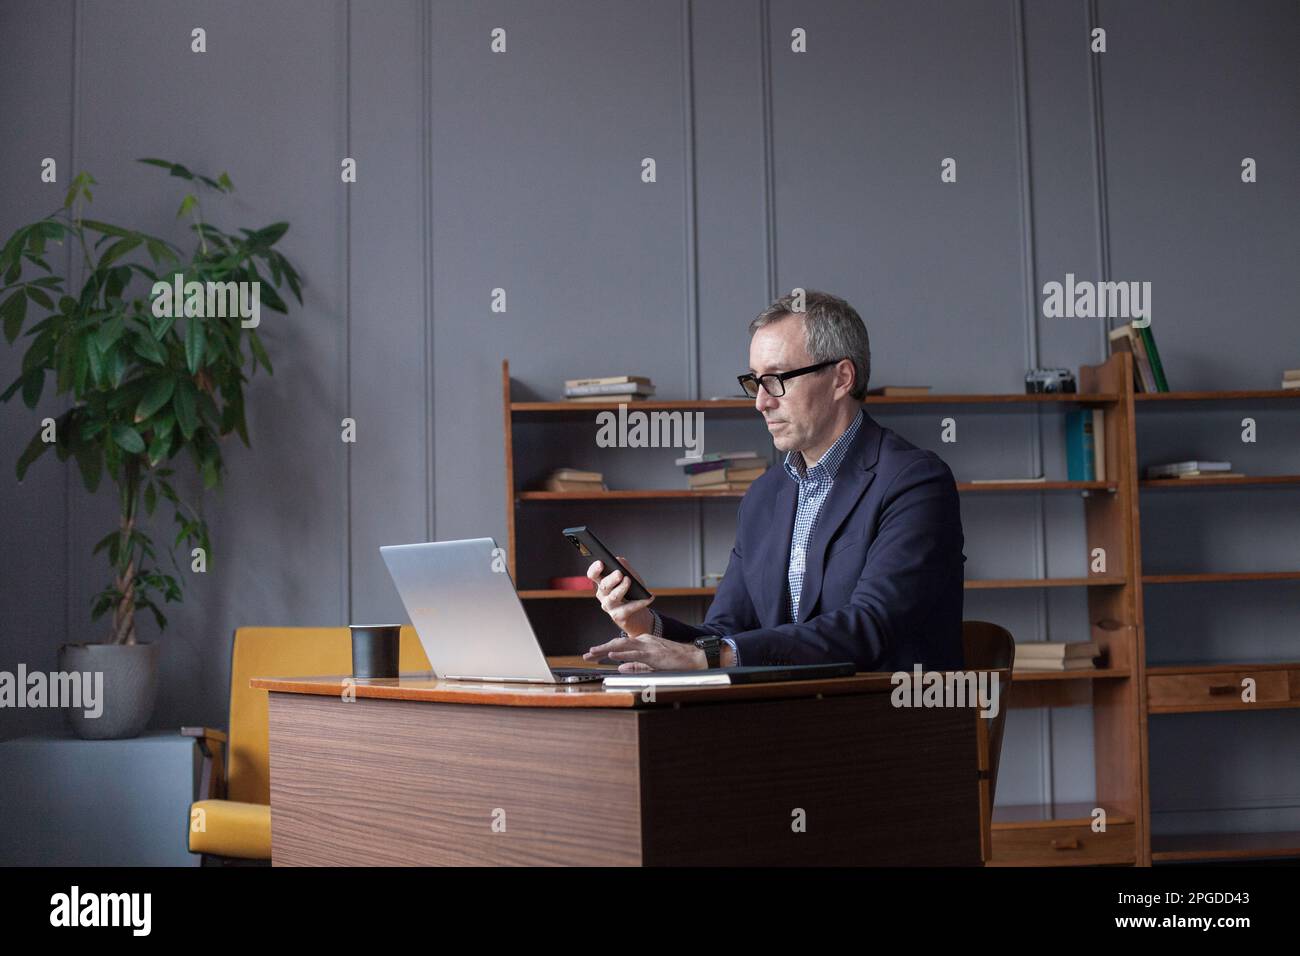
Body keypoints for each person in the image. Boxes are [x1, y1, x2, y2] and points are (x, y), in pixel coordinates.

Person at [583, 290, 966, 672]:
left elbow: (869, 625)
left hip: (889, 719)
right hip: (790, 715)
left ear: (841, 378)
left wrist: (710, 656)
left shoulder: (915, 482)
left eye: (777, 379)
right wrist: (646, 625)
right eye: (755, 383)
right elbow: (726, 631)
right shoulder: (764, 495)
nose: (761, 402)